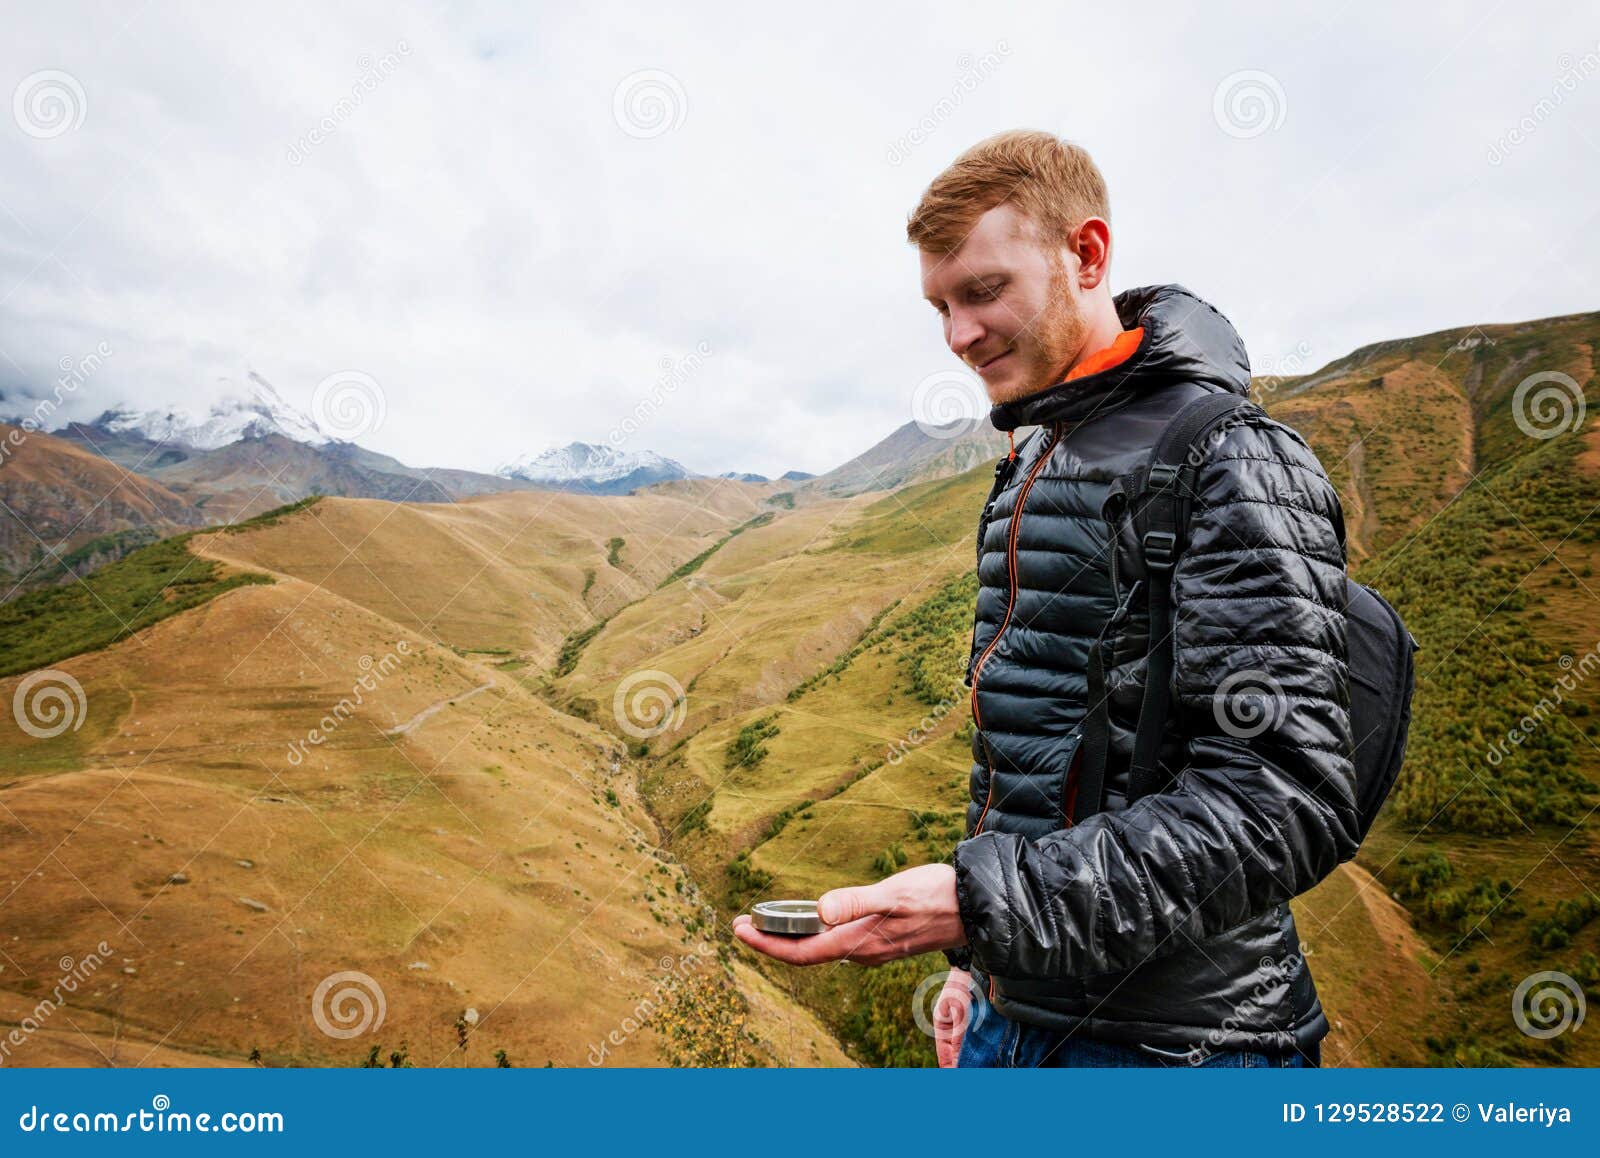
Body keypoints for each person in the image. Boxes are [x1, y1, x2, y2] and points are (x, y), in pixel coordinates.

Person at [733, 129, 1358, 1069]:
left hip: (1176, 1053)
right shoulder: (1035, 453)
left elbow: (1286, 798)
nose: (958, 335)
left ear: (1088, 254)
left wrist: (976, 905)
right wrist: (977, 964)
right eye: (940, 305)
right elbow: (1026, 763)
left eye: (984, 292)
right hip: (1015, 1012)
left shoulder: (1231, 458)